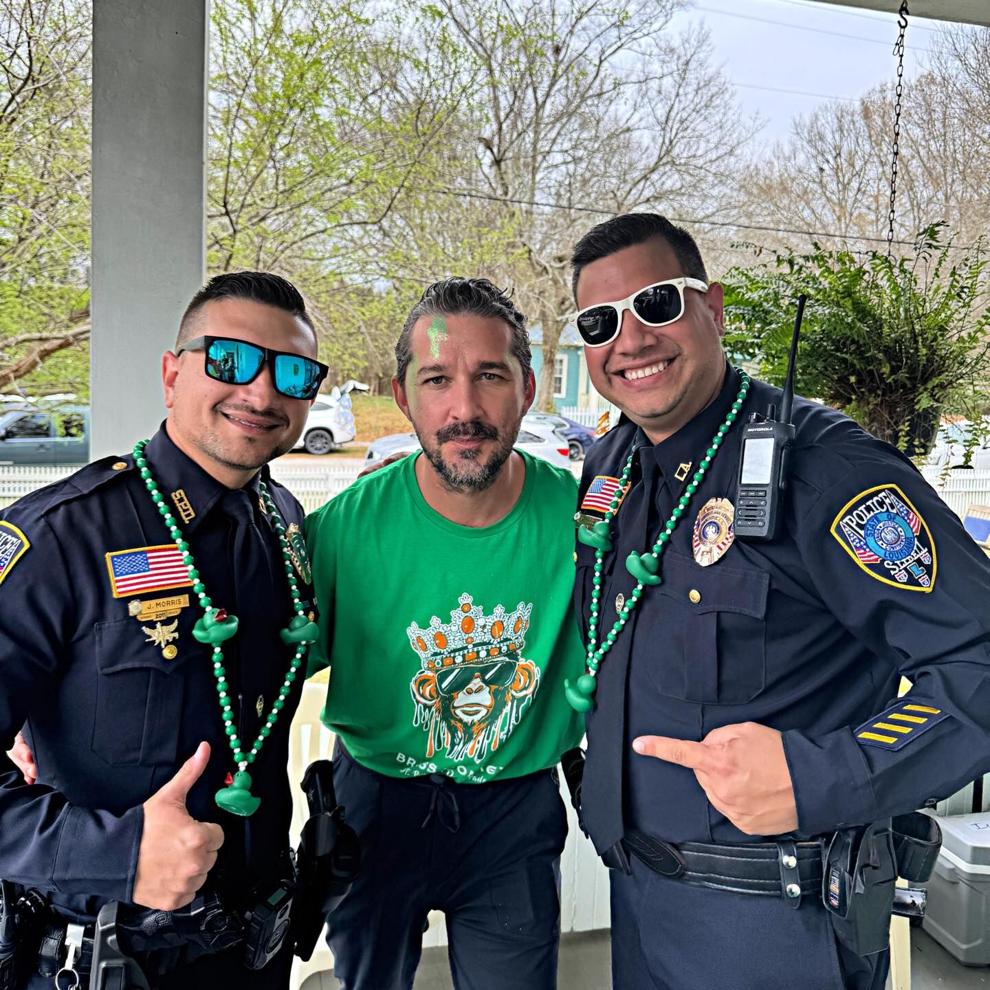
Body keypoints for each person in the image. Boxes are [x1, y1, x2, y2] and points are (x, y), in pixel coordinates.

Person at [566, 213, 990, 990]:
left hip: (771, 928)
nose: (630, 340)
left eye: (657, 303)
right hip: (637, 904)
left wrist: (835, 773)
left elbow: (980, 660)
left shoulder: (827, 470)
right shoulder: (610, 465)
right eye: (599, 323)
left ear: (714, 309)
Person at [0, 272, 328, 988]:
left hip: (255, 953)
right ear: (171, 373)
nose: (264, 393)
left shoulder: (287, 526)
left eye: (295, 373)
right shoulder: (64, 536)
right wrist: (110, 852)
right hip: (111, 959)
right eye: (231, 362)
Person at [305, 277, 585, 990]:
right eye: (437, 380)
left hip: (514, 813)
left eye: (490, 376)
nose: (465, 409)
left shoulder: (586, 524)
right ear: (403, 397)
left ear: (526, 387)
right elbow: (253, 677)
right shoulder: (341, 531)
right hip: (373, 800)